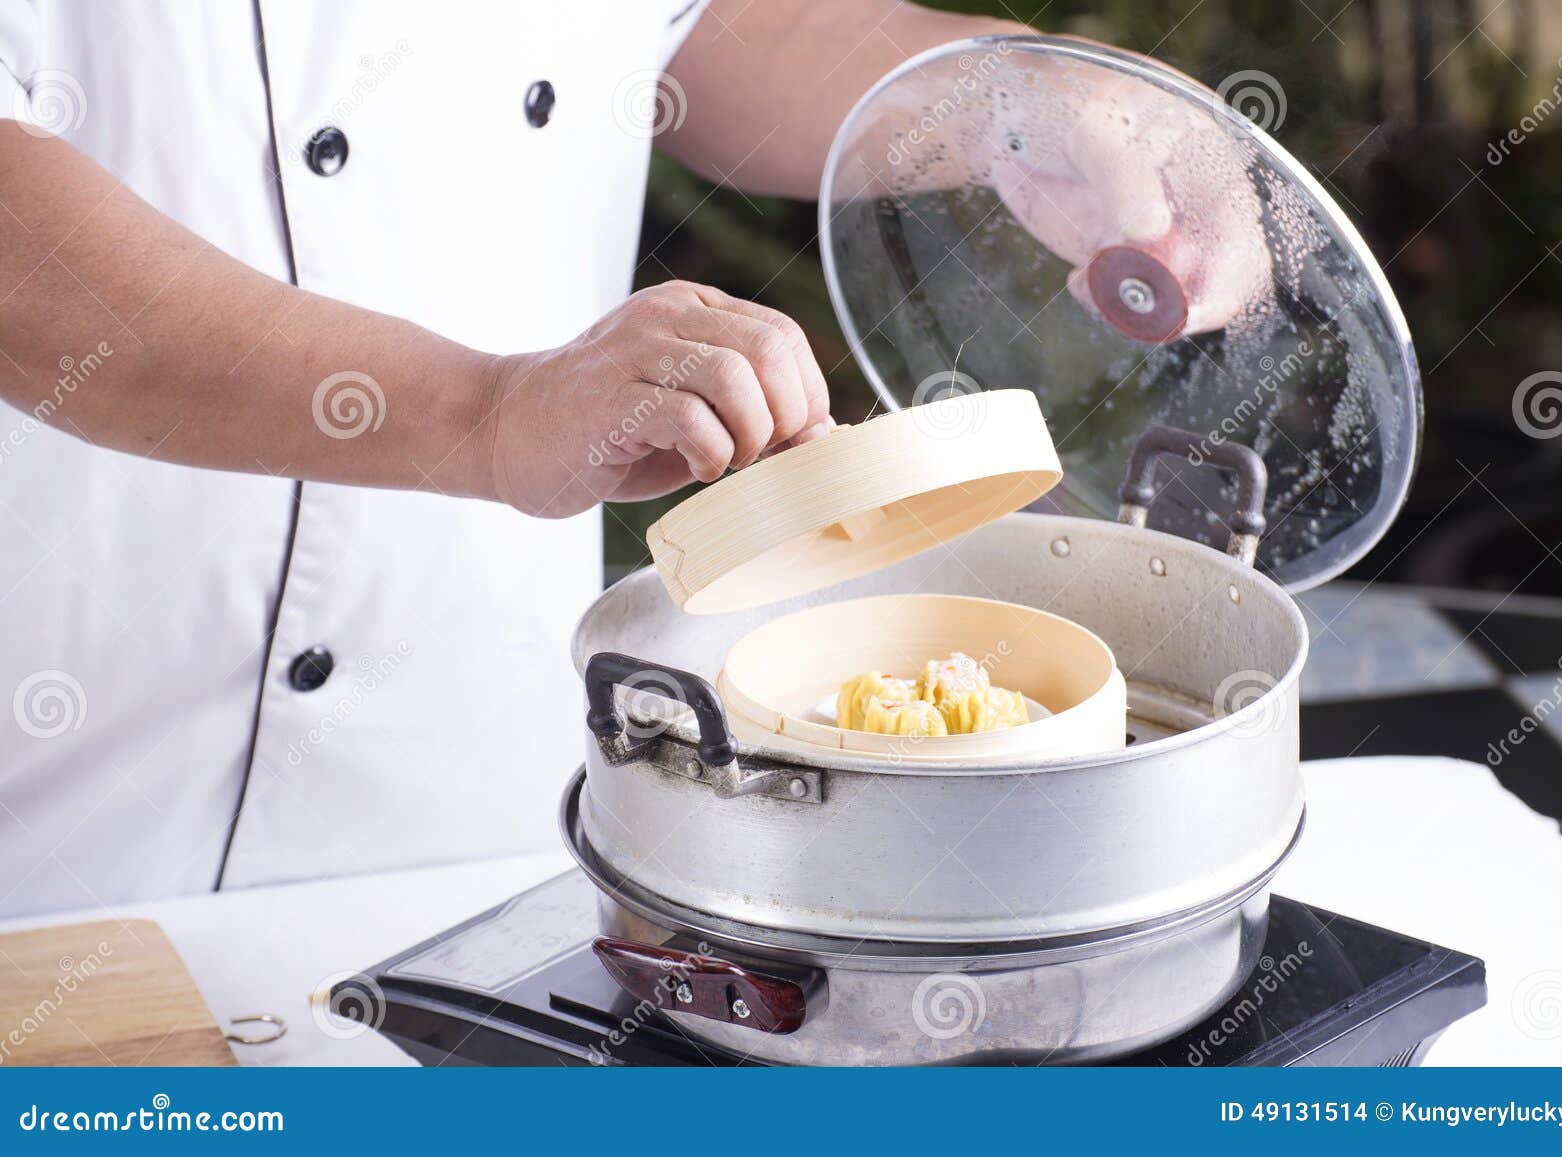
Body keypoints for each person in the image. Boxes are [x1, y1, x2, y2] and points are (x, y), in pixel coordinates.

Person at [0, 1, 1248, 918]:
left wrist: (1007, 98)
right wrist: (482, 414)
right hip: (65, 815)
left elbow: (693, 25)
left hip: (485, 810)